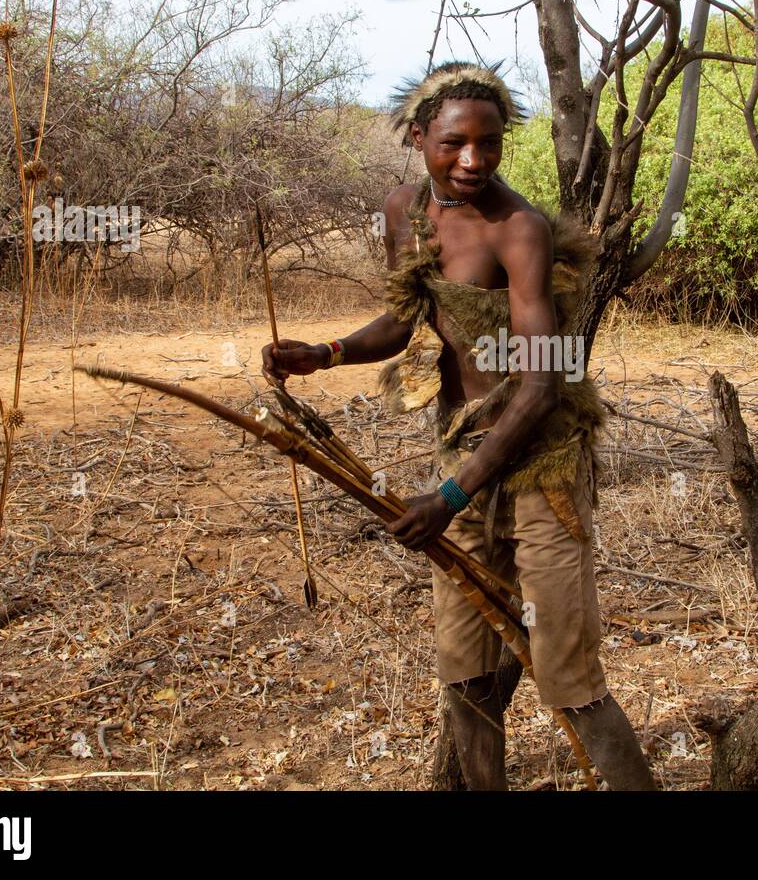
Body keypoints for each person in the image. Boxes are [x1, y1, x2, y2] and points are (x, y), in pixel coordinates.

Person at [262, 61, 654, 790]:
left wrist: (447, 499)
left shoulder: (520, 230)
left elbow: (539, 386)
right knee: (466, 669)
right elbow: (408, 315)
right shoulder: (405, 213)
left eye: (489, 144)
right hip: (464, 451)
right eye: (453, 143)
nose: (472, 160)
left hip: (540, 464)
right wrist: (325, 354)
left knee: (569, 673)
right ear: (419, 138)